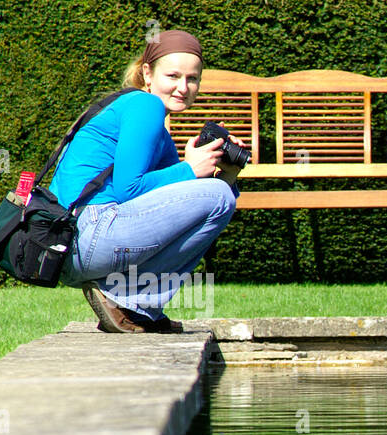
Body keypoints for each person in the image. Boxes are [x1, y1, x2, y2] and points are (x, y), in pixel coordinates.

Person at [49, 30, 246, 333]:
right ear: (147, 73)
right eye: (173, 76)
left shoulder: (154, 128)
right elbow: (129, 189)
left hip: (69, 251)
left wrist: (227, 175)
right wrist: (190, 169)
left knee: (221, 196)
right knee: (219, 198)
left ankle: (135, 307)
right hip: (87, 233)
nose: (183, 87)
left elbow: (180, 204)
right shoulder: (145, 106)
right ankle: (131, 302)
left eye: (192, 79)